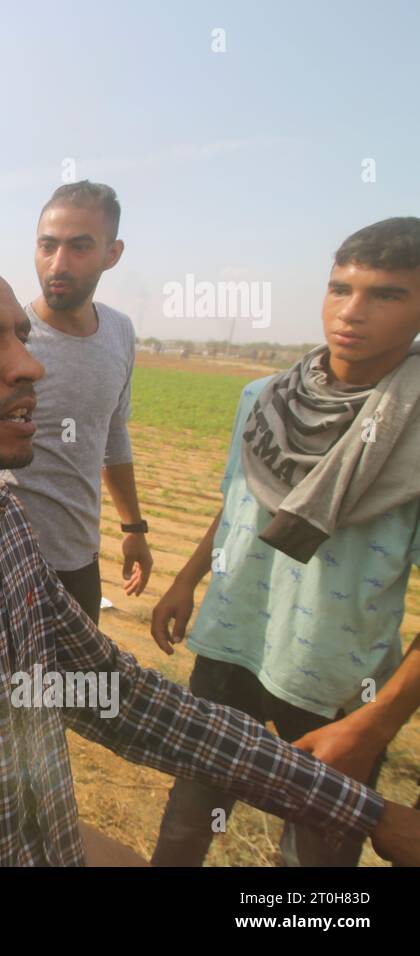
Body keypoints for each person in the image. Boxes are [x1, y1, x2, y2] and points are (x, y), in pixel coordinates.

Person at [0, 244, 420, 866]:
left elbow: (122, 698)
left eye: (19, 335)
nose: (27, 366)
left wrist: (361, 811)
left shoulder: (3, 519)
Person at [150, 217, 420, 866]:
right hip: (230, 644)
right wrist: (188, 580)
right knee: (186, 827)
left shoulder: (411, 432)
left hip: (336, 679)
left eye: (386, 295)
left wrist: (372, 723)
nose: (352, 311)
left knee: (315, 858)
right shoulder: (263, 398)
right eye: (340, 288)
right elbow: (244, 502)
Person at [1, 181, 151, 623]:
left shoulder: (120, 332)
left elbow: (113, 432)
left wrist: (134, 527)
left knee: (72, 693)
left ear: (113, 253)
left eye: (80, 247)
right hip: (1, 563)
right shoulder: (6, 333)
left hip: (80, 563)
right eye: (47, 246)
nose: (58, 264)